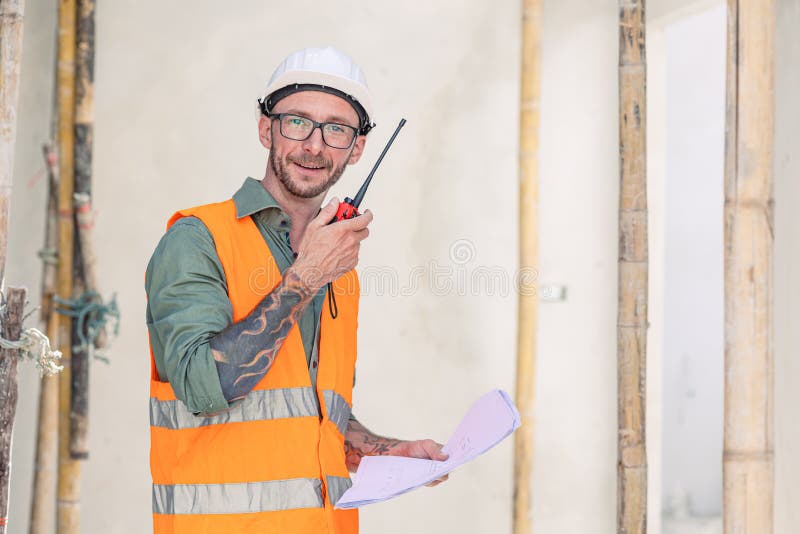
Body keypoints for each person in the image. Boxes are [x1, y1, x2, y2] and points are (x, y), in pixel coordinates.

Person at [145, 46, 447, 534]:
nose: (314, 145)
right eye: (297, 123)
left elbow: (305, 414)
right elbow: (205, 387)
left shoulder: (336, 268)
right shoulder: (198, 239)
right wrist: (306, 277)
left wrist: (389, 451)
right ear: (267, 129)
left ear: (356, 149)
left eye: (336, 129)